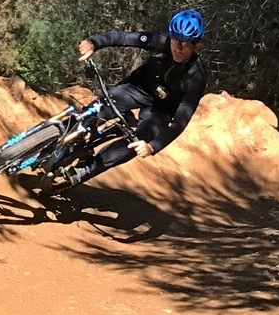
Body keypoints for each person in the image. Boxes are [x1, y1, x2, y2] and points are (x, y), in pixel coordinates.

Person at [64, 9, 208, 185]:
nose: (177, 48)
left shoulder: (196, 77)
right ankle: (59, 138)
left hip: (161, 110)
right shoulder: (161, 43)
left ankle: (88, 168)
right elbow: (122, 37)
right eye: (175, 41)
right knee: (95, 110)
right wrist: (94, 43)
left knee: (134, 144)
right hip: (138, 88)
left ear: (197, 46)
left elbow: (180, 122)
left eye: (185, 44)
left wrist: (152, 147)